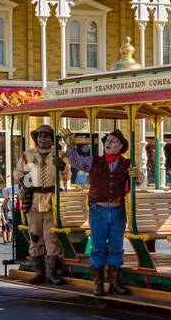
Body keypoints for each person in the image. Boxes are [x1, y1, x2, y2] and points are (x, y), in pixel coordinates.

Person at [66, 130, 131, 296]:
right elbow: (76, 162)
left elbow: (136, 182)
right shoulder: (94, 161)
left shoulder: (127, 164)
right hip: (98, 210)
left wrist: (138, 177)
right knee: (98, 247)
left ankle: (115, 282)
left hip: (118, 210)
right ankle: (98, 283)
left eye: (114, 141)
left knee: (116, 247)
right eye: (107, 141)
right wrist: (70, 146)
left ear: (121, 146)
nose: (109, 143)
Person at [12, 123, 67, 284]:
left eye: (47, 136)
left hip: (52, 201)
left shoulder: (60, 155)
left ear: (52, 139)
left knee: (51, 237)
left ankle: (52, 273)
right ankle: (39, 272)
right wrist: (23, 179)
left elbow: (67, 176)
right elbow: (17, 172)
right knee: (35, 236)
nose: (43, 139)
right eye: (40, 136)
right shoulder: (27, 155)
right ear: (37, 139)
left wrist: (62, 166)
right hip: (33, 200)